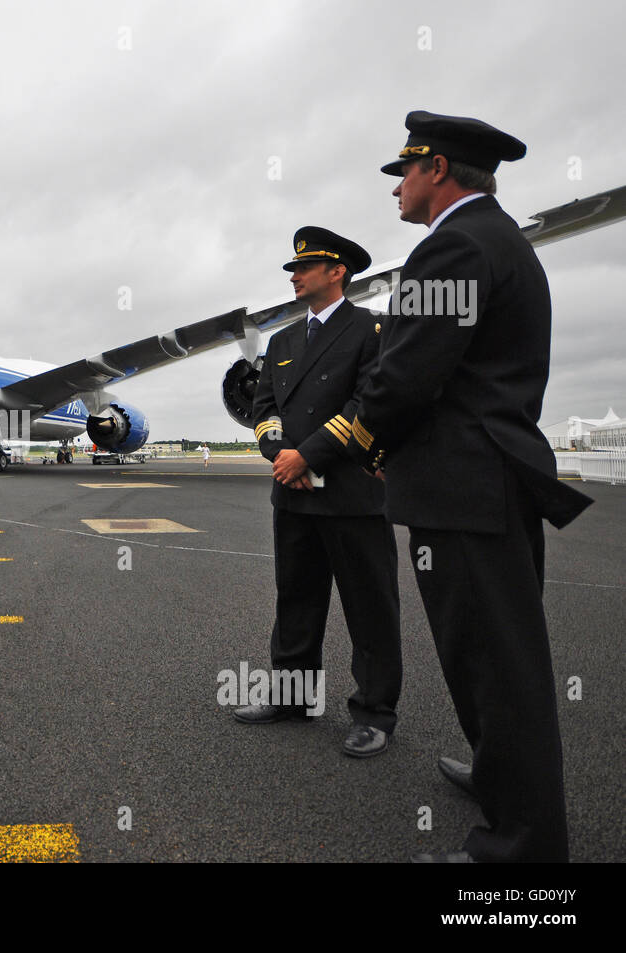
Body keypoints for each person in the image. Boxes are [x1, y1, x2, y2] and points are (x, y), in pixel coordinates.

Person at [322, 111, 592, 861]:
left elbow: (406, 373)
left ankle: (521, 851)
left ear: (436, 169)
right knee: (489, 656)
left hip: (466, 486)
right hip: (482, 481)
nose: (397, 189)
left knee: (496, 665)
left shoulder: (454, 247)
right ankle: (502, 778)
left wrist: (369, 440)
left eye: (403, 173)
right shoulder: (496, 239)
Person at [236, 227, 401, 759]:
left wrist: (309, 454)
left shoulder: (372, 329)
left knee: (369, 608)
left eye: (305, 267)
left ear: (338, 273)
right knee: (296, 600)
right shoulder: (283, 341)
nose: (293, 275)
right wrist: (283, 457)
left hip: (351, 495)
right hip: (294, 492)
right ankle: (292, 698)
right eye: (293, 267)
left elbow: (369, 403)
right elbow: (263, 410)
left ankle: (374, 715)